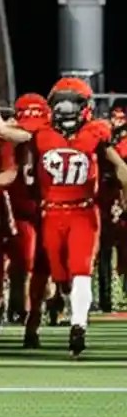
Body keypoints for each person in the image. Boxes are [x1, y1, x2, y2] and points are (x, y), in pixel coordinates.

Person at [30, 78, 127, 357]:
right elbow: (4, 130)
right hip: (51, 212)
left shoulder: (96, 134)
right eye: (61, 102)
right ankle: (69, 305)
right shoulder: (40, 133)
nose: (66, 108)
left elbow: (121, 169)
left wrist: (124, 198)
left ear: (85, 106)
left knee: (81, 269)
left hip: (83, 212)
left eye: (72, 102)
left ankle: (78, 325)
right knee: (62, 277)